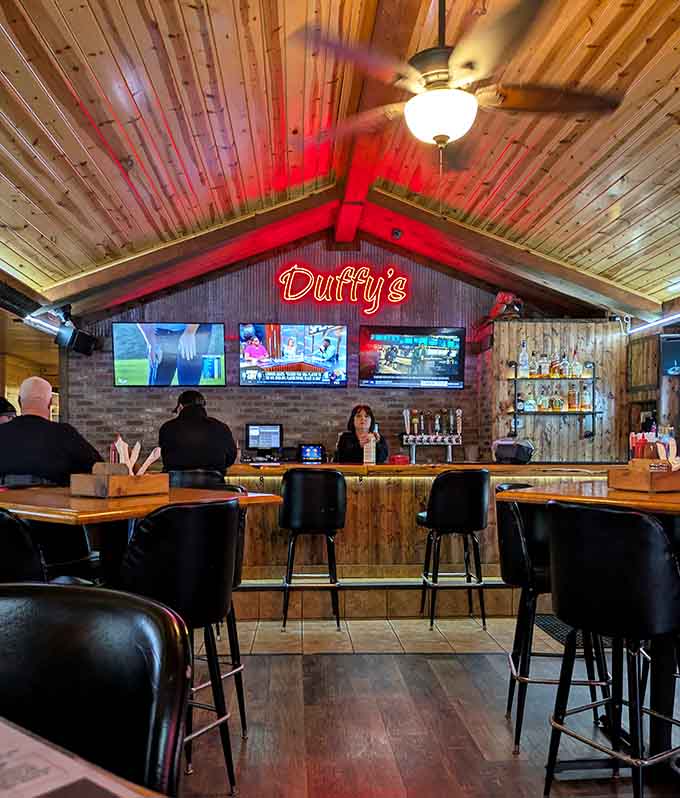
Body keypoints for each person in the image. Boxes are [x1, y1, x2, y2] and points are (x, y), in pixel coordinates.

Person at [0, 377, 101, 485]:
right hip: (56, 501)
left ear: (19, 401)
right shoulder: (65, 434)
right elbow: (99, 468)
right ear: (50, 402)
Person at [159, 390, 237, 475]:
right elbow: (230, 459)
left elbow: (166, 458)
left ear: (180, 407)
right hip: (214, 486)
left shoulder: (167, 428)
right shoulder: (221, 427)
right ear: (203, 407)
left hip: (175, 486)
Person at [137, 323, 213, 386]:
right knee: (156, 386)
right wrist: (151, 341)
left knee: (188, 385)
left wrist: (190, 331)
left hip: (195, 326)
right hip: (161, 328)